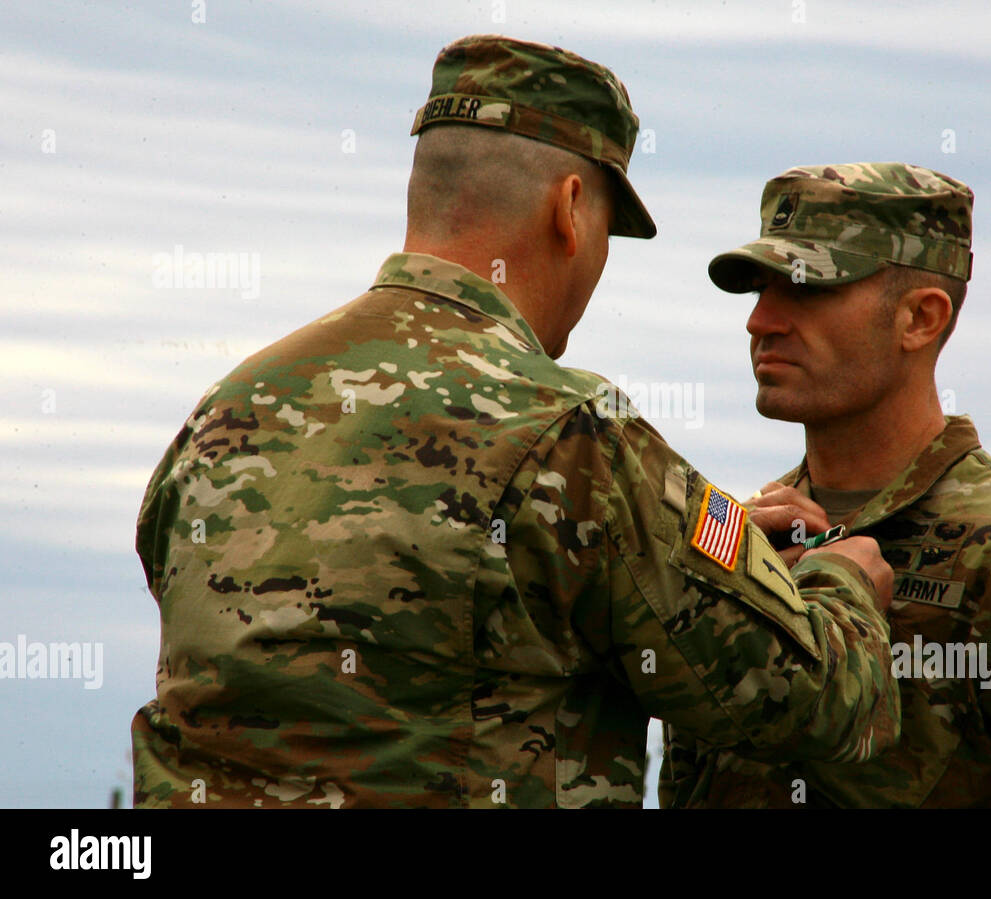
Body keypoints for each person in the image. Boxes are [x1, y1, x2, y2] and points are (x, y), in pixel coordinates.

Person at [130, 36, 900, 809]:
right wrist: (843, 584)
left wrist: (720, 563)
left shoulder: (221, 414)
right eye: (605, 227)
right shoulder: (570, 436)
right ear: (568, 209)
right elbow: (816, 703)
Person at [660, 162, 991, 808]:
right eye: (758, 289)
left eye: (804, 289)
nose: (761, 320)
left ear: (921, 318)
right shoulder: (736, 543)